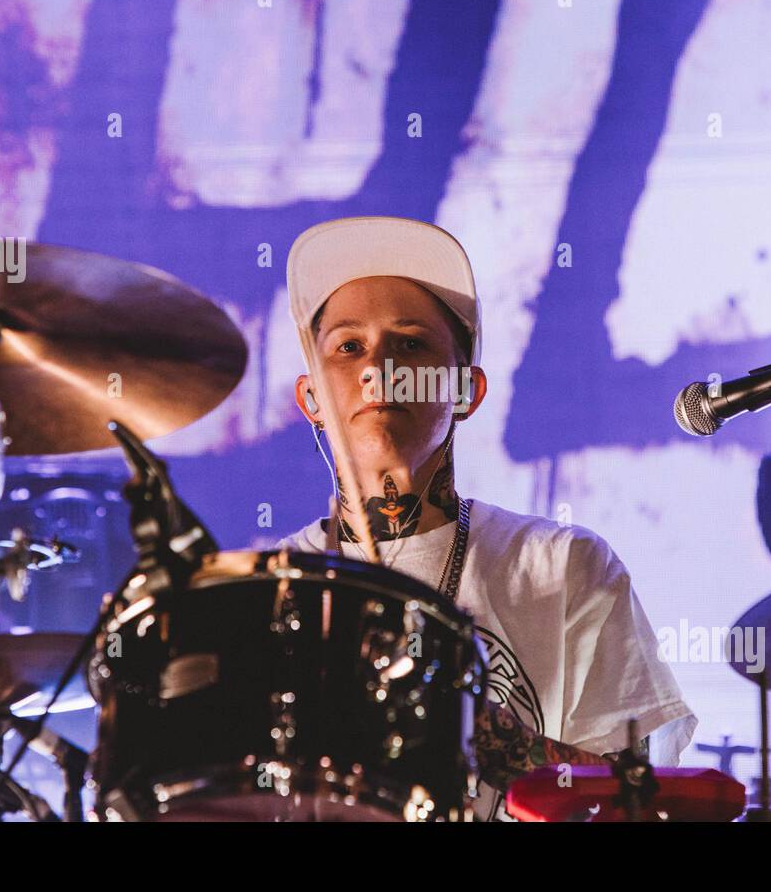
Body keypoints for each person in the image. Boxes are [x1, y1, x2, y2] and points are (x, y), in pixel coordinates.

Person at [278, 215, 696, 820]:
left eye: (411, 344)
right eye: (348, 347)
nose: (379, 367)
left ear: (465, 393)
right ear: (311, 398)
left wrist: (480, 735)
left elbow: (646, 801)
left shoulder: (563, 567)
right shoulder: (270, 589)